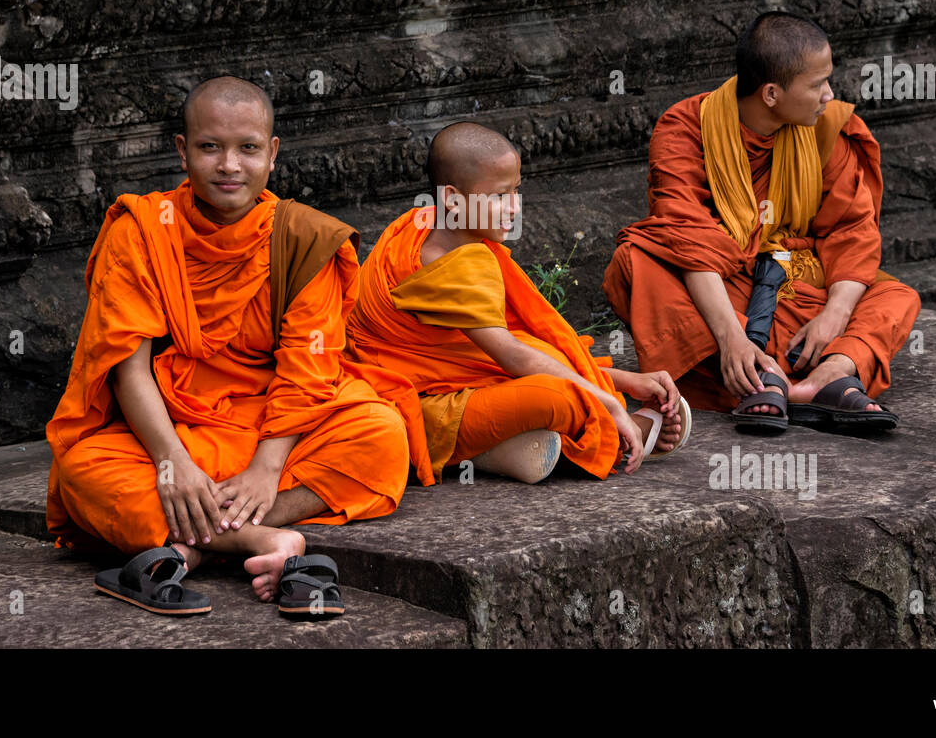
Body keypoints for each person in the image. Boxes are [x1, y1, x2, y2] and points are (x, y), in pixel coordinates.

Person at [45, 76, 412, 611]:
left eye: (248, 148)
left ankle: (188, 546)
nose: (229, 166)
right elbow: (128, 369)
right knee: (83, 469)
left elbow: (307, 374)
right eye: (210, 147)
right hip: (176, 430)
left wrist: (266, 470)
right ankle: (264, 541)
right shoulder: (143, 229)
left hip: (270, 431)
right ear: (183, 150)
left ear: (273, 154)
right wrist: (172, 463)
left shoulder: (303, 239)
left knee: (380, 435)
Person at [603, 12, 921, 432]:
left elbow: (851, 230)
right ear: (771, 93)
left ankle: (823, 375)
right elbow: (686, 236)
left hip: (799, 284)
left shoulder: (828, 130)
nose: (829, 94)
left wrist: (835, 318)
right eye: (816, 84)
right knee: (634, 263)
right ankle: (766, 371)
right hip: (724, 288)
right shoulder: (686, 128)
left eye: (828, 80)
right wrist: (731, 337)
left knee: (895, 297)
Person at [346, 122, 687, 486]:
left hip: (463, 385)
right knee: (556, 398)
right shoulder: (446, 261)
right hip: (419, 406)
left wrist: (621, 380)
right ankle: (464, 444)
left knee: (551, 359)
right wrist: (611, 401)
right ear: (452, 199)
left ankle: (500, 450)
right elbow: (514, 358)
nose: (514, 208)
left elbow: (492, 352)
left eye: (516, 191)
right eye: (498, 196)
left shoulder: (424, 224)